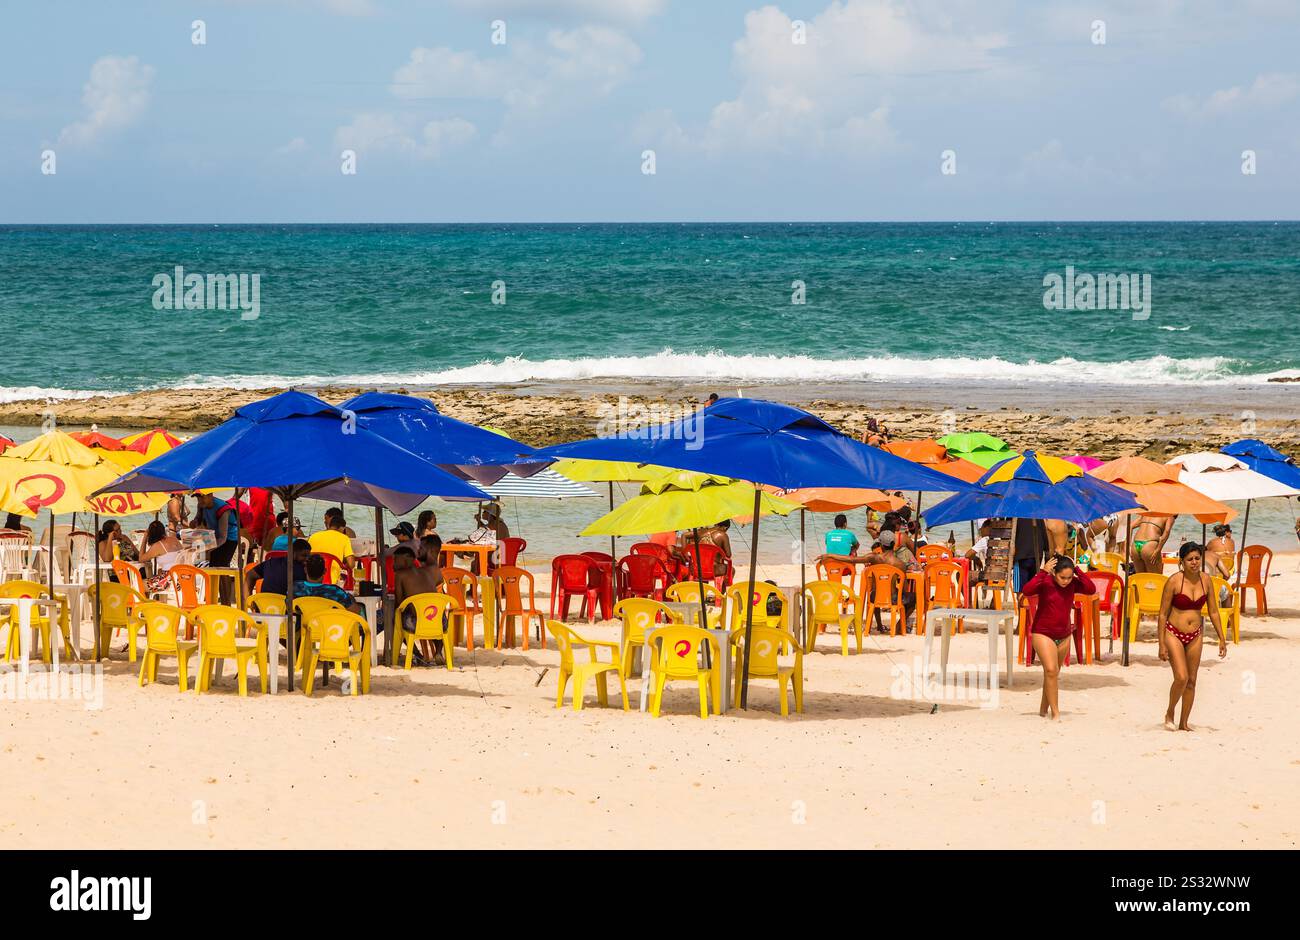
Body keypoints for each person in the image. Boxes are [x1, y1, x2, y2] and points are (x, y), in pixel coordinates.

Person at [1158, 542, 1226, 732]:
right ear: (1182, 562)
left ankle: (1184, 723)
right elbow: (1162, 614)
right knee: (1181, 677)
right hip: (1173, 633)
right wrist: (1161, 644)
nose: (1194, 562)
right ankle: (1170, 712)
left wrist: (1222, 638)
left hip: (1196, 634)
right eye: (1190, 559)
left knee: (1192, 680)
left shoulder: (1206, 580)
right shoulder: (1174, 581)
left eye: (1197, 558)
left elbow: (1213, 611)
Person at [1020, 554, 1097, 720]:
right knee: (1051, 670)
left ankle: (1043, 709)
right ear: (1054, 573)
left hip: (1064, 634)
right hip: (1042, 633)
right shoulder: (1045, 582)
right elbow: (1027, 590)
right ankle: (1055, 713)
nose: (1066, 581)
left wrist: (1076, 569)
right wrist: (1042, 572)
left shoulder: (1073, 583)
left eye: (1069, 577)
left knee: (1052, 675)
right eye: (1062, 577)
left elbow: (1091, 589)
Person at [392, 545, 447, 665]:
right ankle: (438, 651)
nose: (393, 563)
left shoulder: (400, 575)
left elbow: (399, 603)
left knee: (395, 621)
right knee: (429, 618)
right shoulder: (426, 571)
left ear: (407, 560)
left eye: (396, 560)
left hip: (416, 623)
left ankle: (418, 654)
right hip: (439, 621)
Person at [295, 554, 364, 615]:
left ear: (305, 570)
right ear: (325, 571)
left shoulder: (295, 588)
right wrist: (351, 599)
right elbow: (356, 611)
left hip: (303, 628)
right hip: (329, 628)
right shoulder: (335, 591)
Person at [245, 537, 310, 598]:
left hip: (264, 605)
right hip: (284, 607)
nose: (307, 559)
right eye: (304, 555)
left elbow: (250, 575)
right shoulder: (302, 570)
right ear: (293, 553)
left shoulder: (271, 562)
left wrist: (249, 601)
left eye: (308, 556)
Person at [137, 521, 184, 593]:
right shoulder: (174, 539)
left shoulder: (157, 545)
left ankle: (147, 603)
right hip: (182, 578)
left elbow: (141, 559)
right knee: (158, 572)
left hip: (169, 582)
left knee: (138, 584)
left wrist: (145, 537)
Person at [308, 512, 355, 583]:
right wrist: (343, 564)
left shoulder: (313, 536)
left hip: (312, 579)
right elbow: (351, 564)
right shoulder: (344, 538)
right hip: (333, 580)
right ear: (342, 528)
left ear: (329, 525)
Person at [1012, 518, 1047, 592]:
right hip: (1037, 555)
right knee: (1031, 588)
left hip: (1021, 556)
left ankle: (1021, 603)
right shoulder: (1037, 516)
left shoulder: (1015, 515)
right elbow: (1044, 534)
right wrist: (1046, 552)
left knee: (1020, 590)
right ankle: (1029, 603)